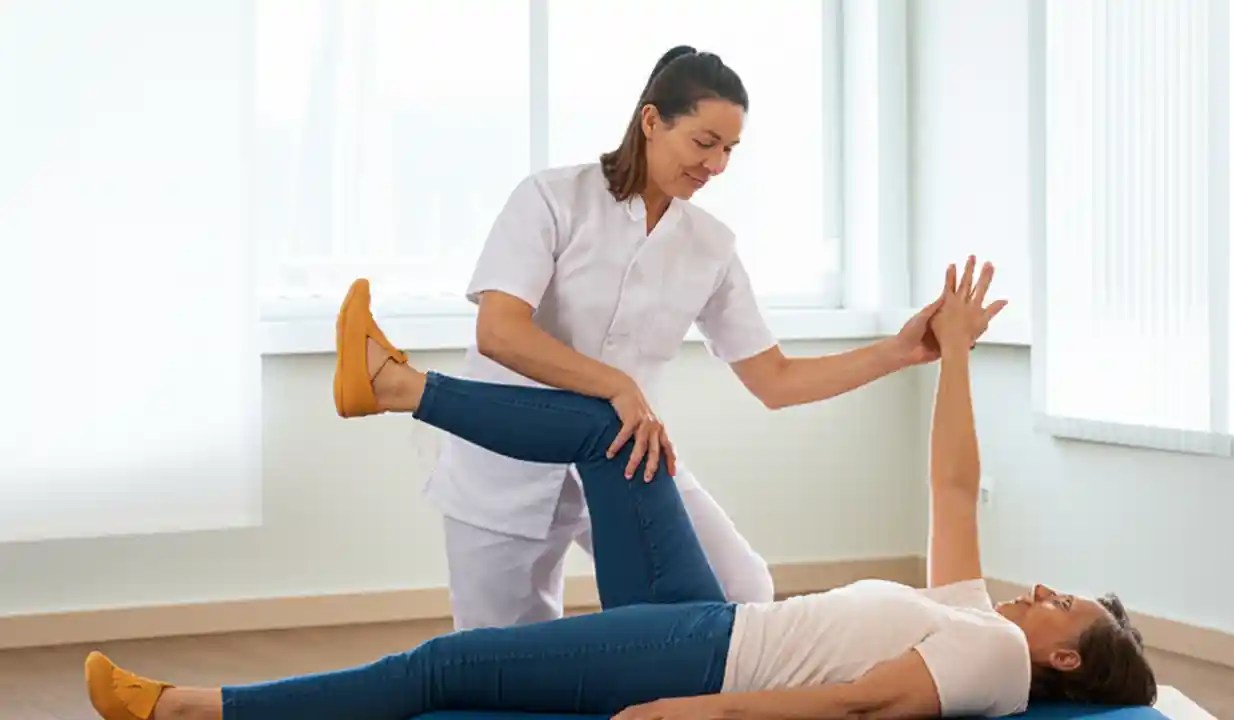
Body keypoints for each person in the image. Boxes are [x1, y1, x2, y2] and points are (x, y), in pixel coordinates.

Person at [85, 262, 1157, 720]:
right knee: (617, 425)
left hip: (697, 656)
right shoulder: (973, 618)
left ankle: (189, 710)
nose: (1046, 587)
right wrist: (951, 349)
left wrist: (703, 712)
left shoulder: (991, 659)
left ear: (1064, 654)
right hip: (708, 619)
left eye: (1069, 604)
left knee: (438, 669)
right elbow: (954, 484)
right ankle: (394, 384)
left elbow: (854, 704)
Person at [426, 44, 957, 632]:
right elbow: (499, 331)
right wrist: (617, 386)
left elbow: (775, 380)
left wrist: (898, 352)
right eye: (705, 143)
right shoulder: (551, 198)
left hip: (625, 459)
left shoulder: (709, 245)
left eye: (729, 149)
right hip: (505, 466)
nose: (717, 165)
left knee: (743, 588)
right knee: (495, 658)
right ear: (652, 121)